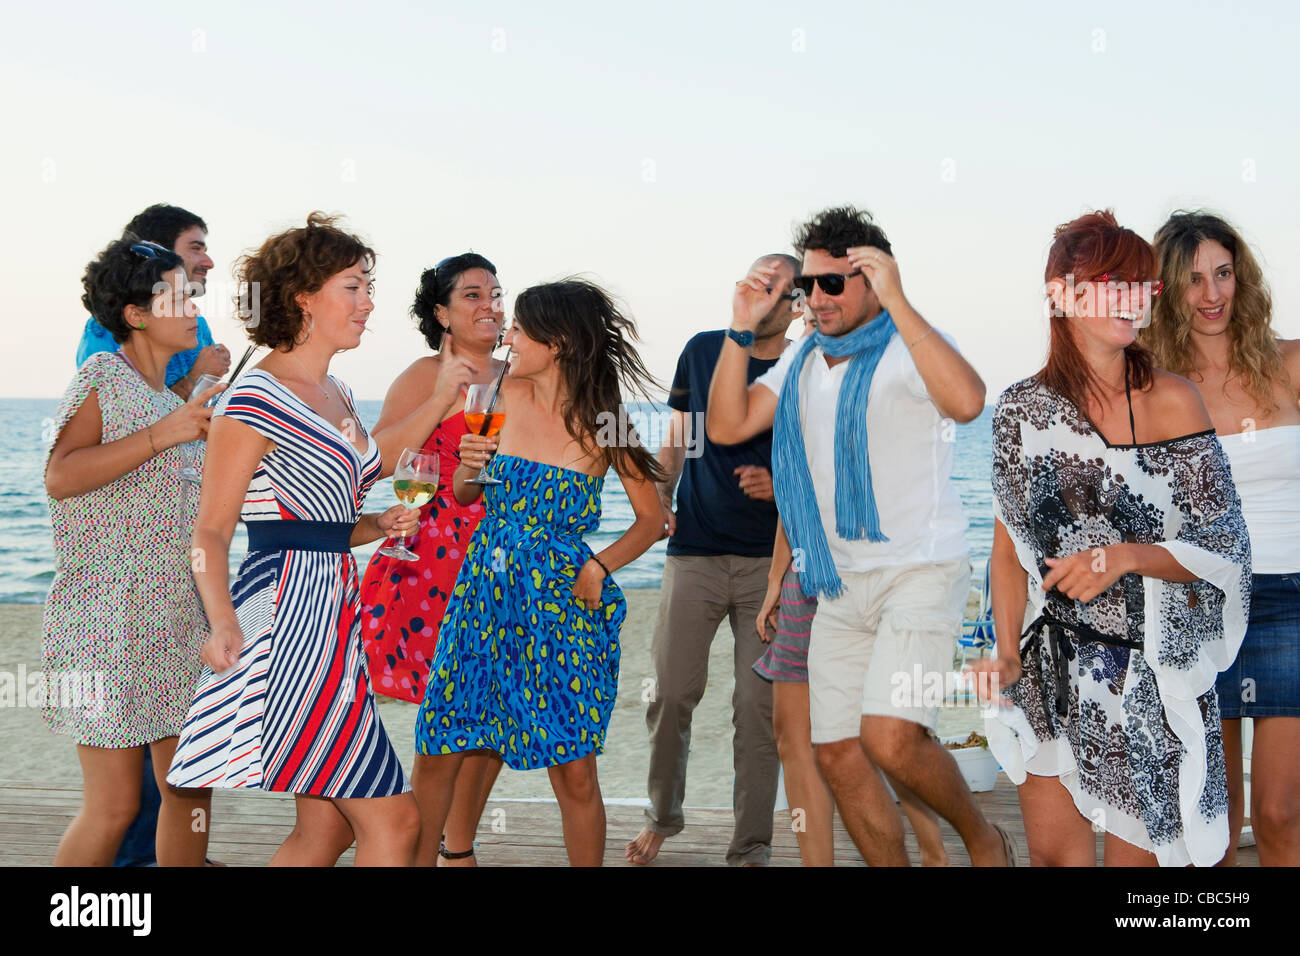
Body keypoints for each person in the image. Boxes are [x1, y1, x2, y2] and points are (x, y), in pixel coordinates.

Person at [708, 205, 1011, 866]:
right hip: (838, 581)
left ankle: (983, 839)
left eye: (833, 283)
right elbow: (726, 426)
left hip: (919, 571)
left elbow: (966, 402)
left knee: (892, 739)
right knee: (837, 752)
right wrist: (738, 327)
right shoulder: (804, 364)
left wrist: (901, 301)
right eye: (807, 286)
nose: (816, 298)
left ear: (874, 280)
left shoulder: (913, 348)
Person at [976, 209, 1251, 867]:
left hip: (1147, 678)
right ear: (1064, 297)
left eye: (1143, 286)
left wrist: (1125, 556)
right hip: (1051, 667)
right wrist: (1006, 651)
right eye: (1115, 285)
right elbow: (1006, 552)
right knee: (1055, 859)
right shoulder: (1019, 411)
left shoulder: (1174, 401)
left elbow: (1227, 547)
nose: (1137, 301)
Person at [166, 213, 420, 866]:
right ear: (304, 297)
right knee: (394, 823)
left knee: (326, 831)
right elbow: (212, 530)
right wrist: (221, 619)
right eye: (353, 288)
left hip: (335, 618)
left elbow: (314, 522)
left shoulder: (336, 391)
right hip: (289, 626)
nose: (368, 304)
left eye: (368, 289)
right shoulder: (254, 398)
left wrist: (374, 526)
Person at [412, 279, 664, 866]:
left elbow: (652, 520)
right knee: (443, 741)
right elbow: (465, 493)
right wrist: (469, 469)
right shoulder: (495, 393)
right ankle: (443, 858)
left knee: (573, 769)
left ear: (559, 341)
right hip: (484, 592)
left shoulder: (608, 422)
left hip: (561, 604)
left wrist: (600, 567)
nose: (507, 335)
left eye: (520, 328)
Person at [43, 237, 224, 865]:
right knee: (116, 806)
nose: (193, 306)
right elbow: (61, 476)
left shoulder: (171, 398)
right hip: (108, 624)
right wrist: (163, 432)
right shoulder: (103, 376)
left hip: (177, 622)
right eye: (176, 295)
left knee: (190, 789)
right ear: (136, 313)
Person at [1140, 211, 1300, 865]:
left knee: (1281, 810)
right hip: (1199, 600)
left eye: (1224, 273)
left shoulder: (1290, 364)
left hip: (1289, 598)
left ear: (1243, 277)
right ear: (1169, 292)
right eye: (1193, 280)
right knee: (1217, 821)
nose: (1212, 295)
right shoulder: (1152, 383)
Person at [624, 254, 794, 868]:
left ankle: (751, 845)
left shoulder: (807, 367)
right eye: (753, 277)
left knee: (757, 710)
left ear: (796, 304)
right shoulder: (703, 349)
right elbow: (680, 434)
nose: (758, 290)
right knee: (670, 694)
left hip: (772, 566)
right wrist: (660, 496)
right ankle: (661, 818)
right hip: (692, 551)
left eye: (773, 285)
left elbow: (829, 464)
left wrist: (781, 485)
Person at [360, 253, 508, 866]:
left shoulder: (522, 373)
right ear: (441, 313)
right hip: (436, 556)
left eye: (496, 293)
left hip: (504, 558)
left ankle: (459, 846)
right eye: (471, 295)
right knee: (447, 721)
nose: (489, 305)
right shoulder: (425, 372)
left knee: (495, 715)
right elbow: (380, 456)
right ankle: (421, 857)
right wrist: (443, 402)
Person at [76, 204, 231, 400]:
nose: (209, 262)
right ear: (155, 249)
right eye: (195, 248)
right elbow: (121, 417)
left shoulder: (197, 326)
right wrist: (195, 377)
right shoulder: (104, 331)